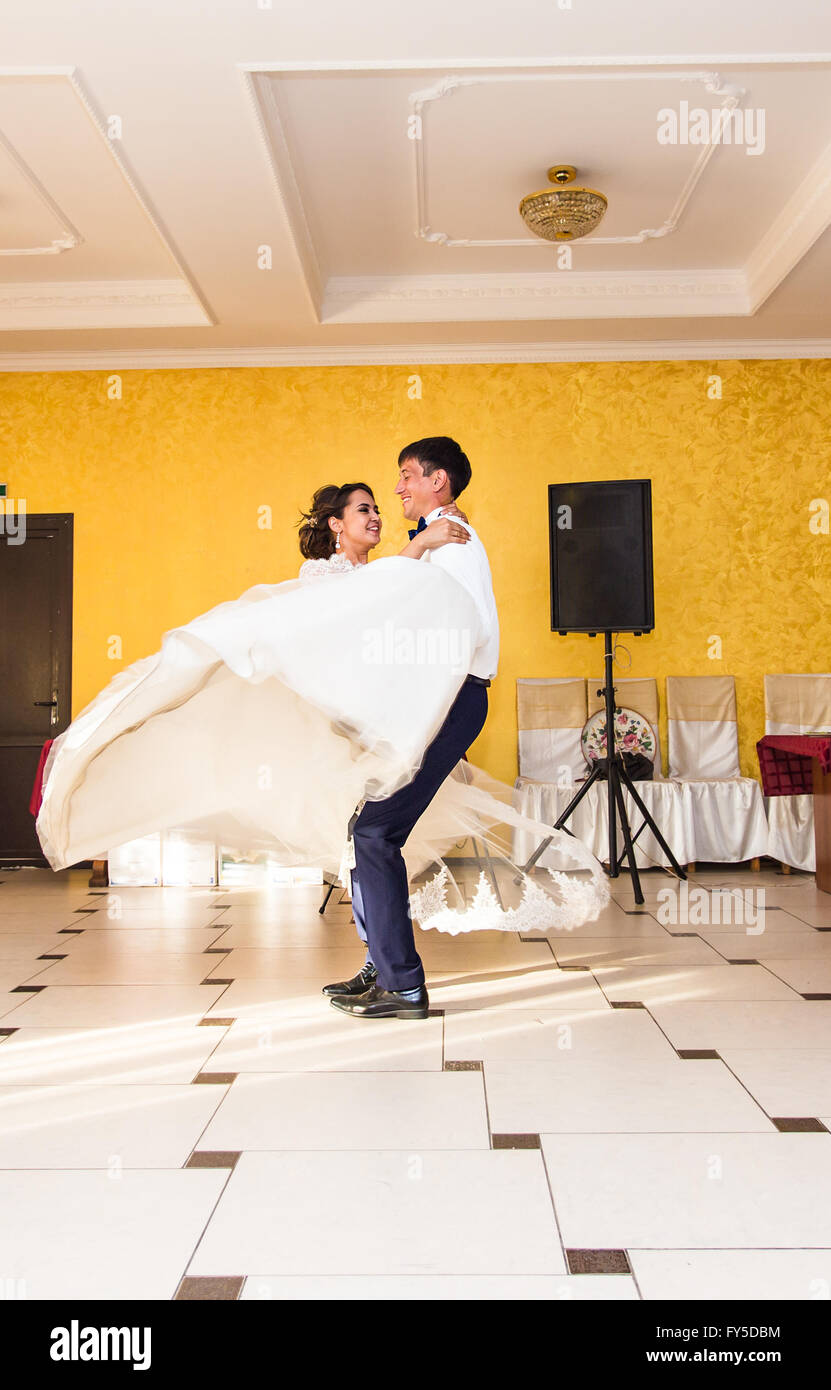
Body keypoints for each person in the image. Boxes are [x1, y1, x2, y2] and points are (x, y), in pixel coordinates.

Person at [35, 454, 608, 1000]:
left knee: (365, 845)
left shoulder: (415, 562)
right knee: (362, 845)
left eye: (383, 502)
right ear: (337, 525)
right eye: (364, 509)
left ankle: (384, 967)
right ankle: (385, 967)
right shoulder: (335, 573)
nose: (379, 512)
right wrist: (418, 545)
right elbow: (352, 617)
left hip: (383, 729)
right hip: (339, 731)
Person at [324, 438, 498, 1020]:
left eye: (406, 476)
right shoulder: (439, 538)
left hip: (449, 702)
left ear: (437, 480)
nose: (397, 488)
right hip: (441, 702)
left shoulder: (453, 543)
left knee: (374, 834)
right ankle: (387, 968)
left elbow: (458, 634)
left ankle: (401, 984)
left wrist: (411, 704)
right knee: (369, 832)